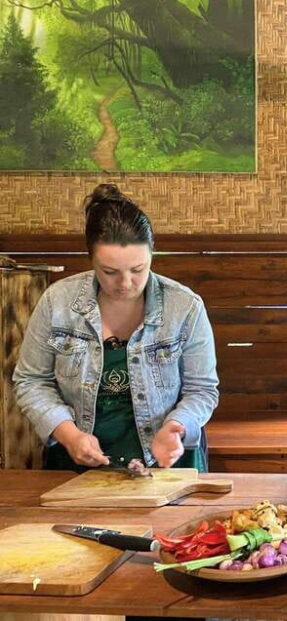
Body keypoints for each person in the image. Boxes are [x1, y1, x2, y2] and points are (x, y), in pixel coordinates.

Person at [14, 184, 219, 472]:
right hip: (77, 463)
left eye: (138, 270)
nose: (125, 283)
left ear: (152, 254)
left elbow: (202, 390)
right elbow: (31, 381)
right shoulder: (57, 302)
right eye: (109, 272)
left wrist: (177, 426)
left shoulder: (185, 306)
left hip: (167, 465)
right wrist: (69, 435)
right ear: (91, 259)